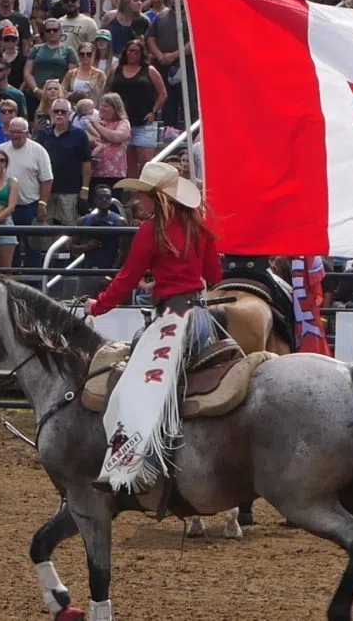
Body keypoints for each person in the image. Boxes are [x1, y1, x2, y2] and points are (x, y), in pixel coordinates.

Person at [84, 161, 221, 495]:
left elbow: (125, 279)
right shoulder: (199, 228)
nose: (138, 200)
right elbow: (215, 276)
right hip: (201, 317)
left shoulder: (151, 231)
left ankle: (135, 461)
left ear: (158, 198)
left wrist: (98, 306)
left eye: (144, 194)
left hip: (171, 319)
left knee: (134, 384)